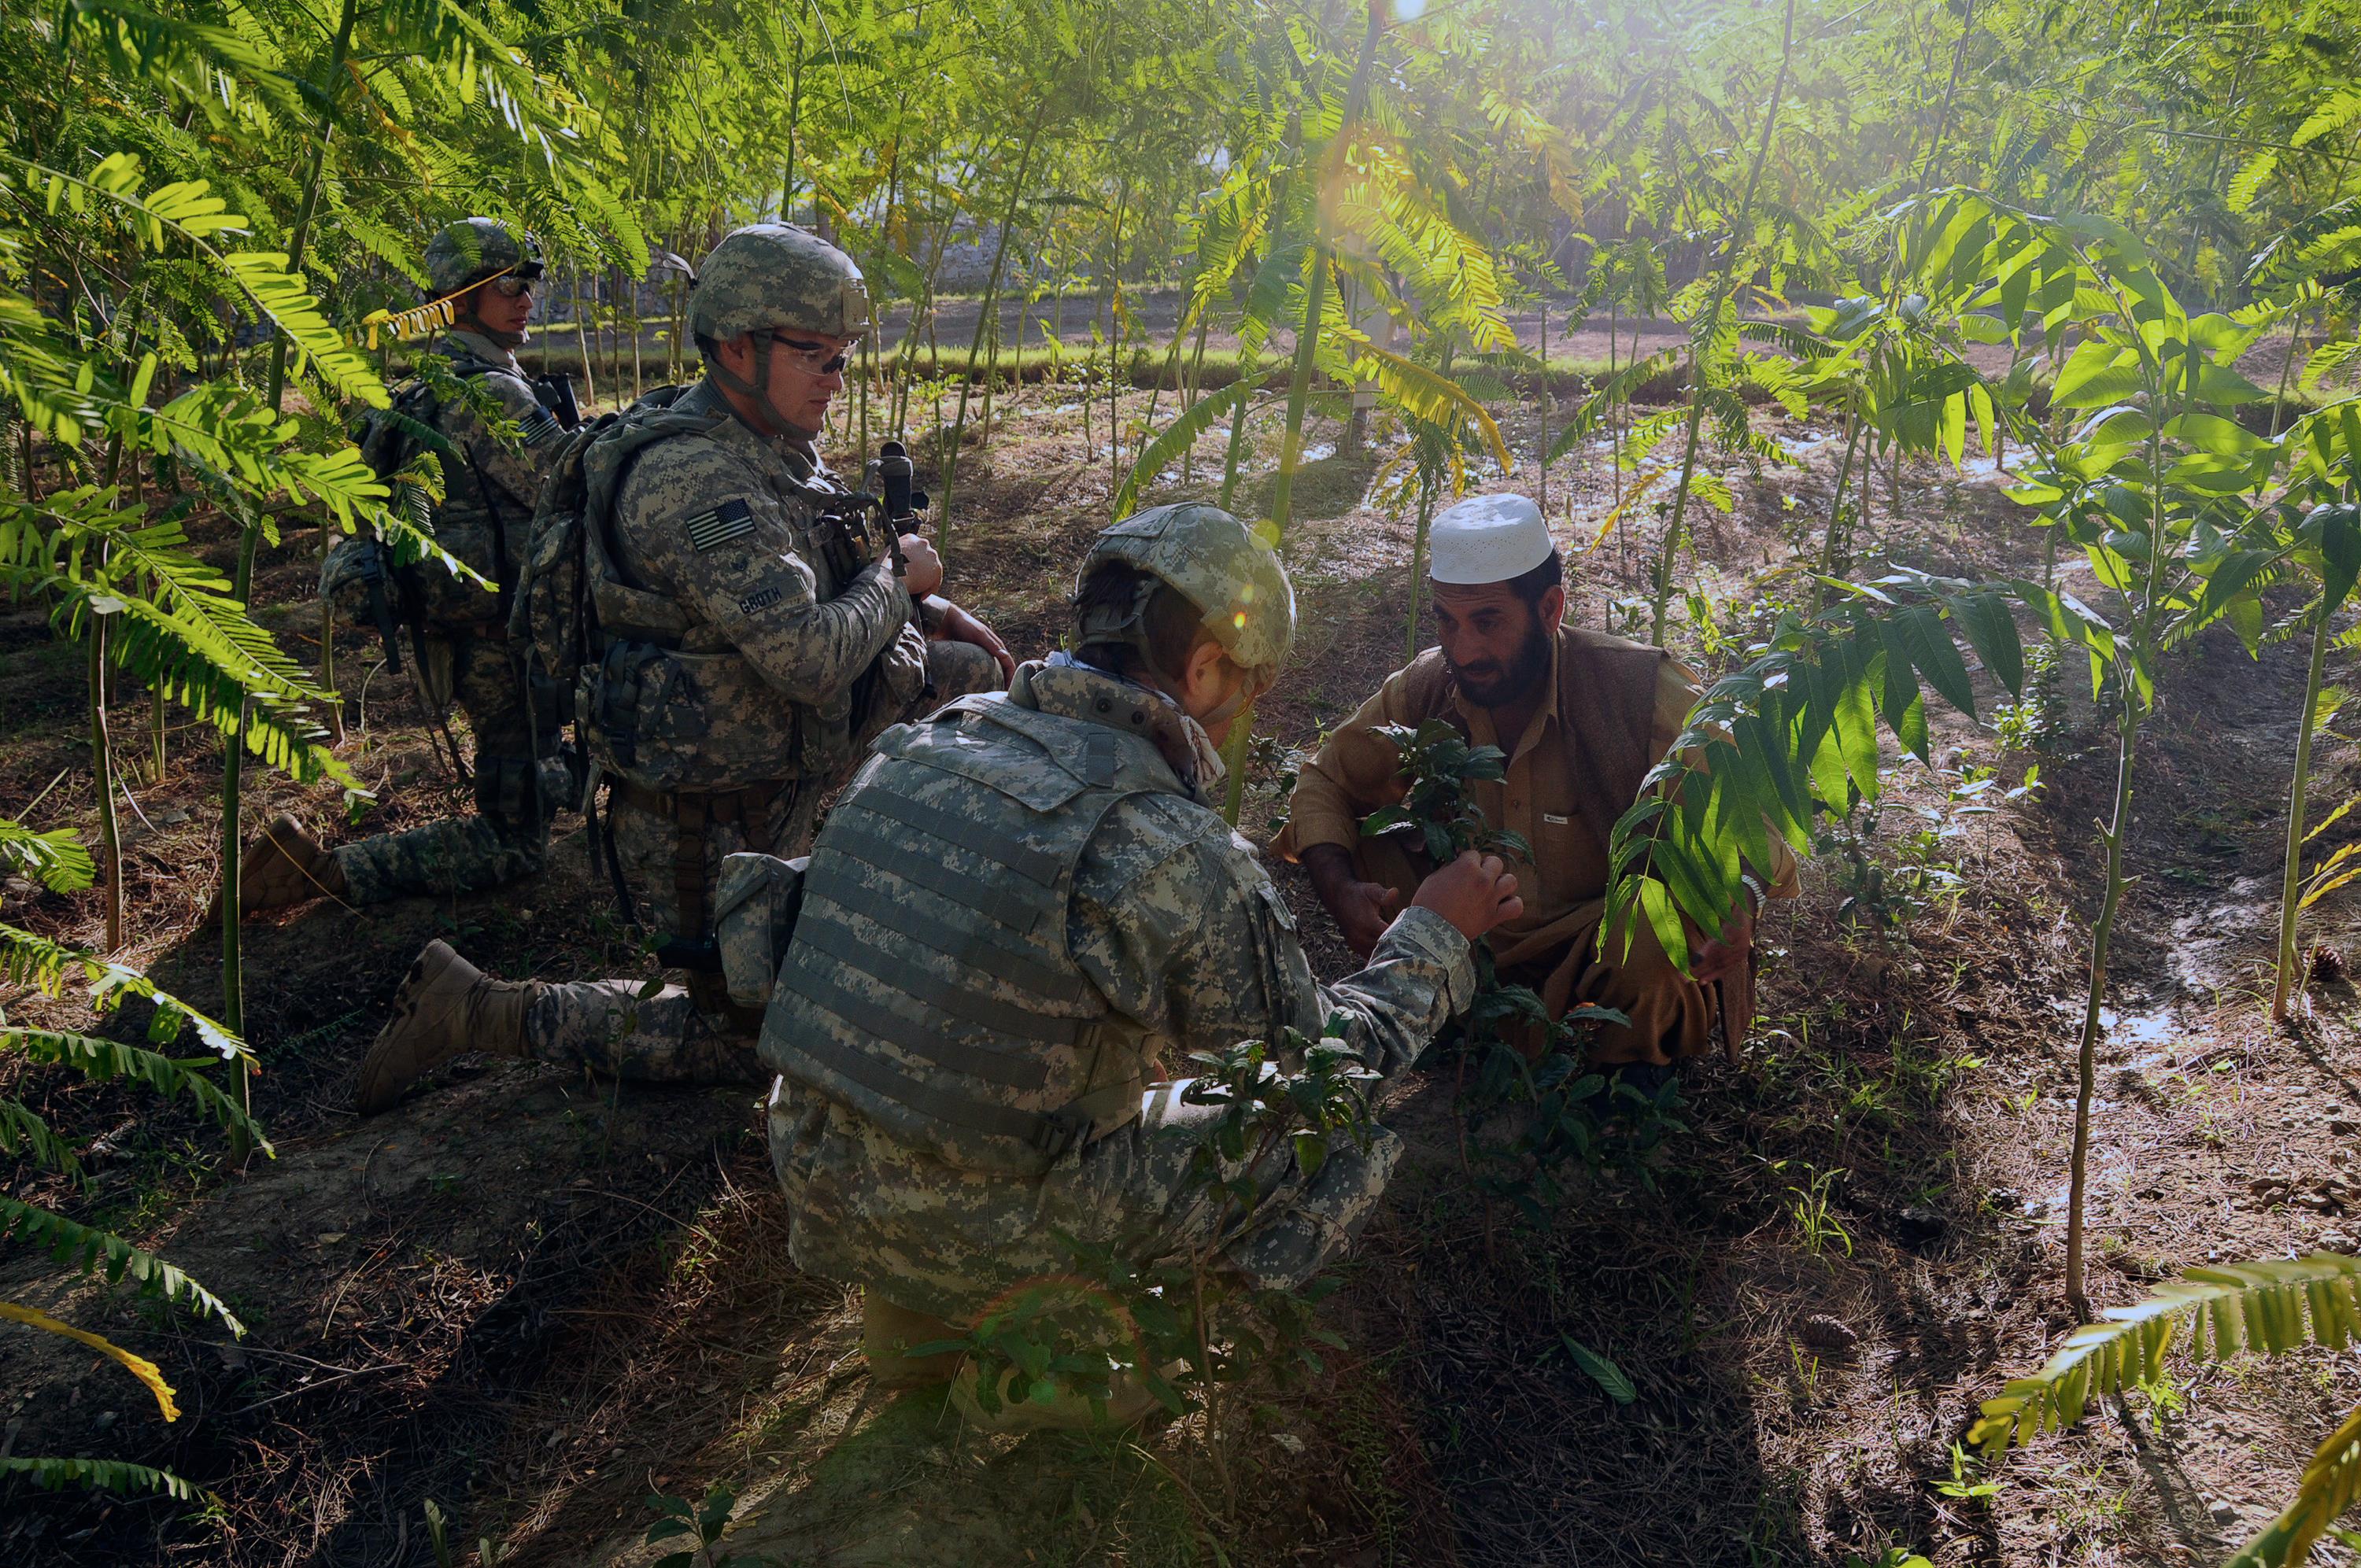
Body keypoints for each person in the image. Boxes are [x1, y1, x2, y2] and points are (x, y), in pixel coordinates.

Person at [753, 502, 1523, 1414]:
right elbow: (1319, 1070)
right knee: (1327, 1141)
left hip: (824, 1182)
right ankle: (1064, 1389)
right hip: (989, 1226)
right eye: (1248, 688)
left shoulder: (924, 744)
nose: (1240, 714)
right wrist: (1436, 932)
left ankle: (912, 1335)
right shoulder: (1160, 842)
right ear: (1202, 669)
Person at [354, 223, 1011, 1113]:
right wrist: (902, 577)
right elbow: (811, 656)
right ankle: (474, 1007)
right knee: (747, 1043)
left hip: (776, 758)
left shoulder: (764, 438)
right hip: (706, 811)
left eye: (845, 357)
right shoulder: (693, 478)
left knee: (968, 673)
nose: (836, 378)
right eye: (815, 354)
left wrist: (927, 607)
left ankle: (866, 902)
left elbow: (817, 567)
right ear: (737, 347)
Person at [1274, 492, 1798, 1076]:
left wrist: (1743, 902)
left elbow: (1753, 822)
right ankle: (1455, 1024)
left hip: (1596, 941)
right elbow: (1323, 782)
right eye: (1447, 621)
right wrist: (1341, 889)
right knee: (1371, 837)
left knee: (1652, 929)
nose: (1463, 648)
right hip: (1471, 942)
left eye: (1488, 622)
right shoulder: (1427, 688)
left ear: (1550, 609)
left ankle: (1627, 1082)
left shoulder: (1639, 691)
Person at [224, 218, 579, 920]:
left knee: (546, 766)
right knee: (514, 843)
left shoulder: (424, 390)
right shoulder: (489, 396)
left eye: (529, 282)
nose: (525, 297)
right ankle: (321, 871)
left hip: (475, 634)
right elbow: (569, 487)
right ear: (457, 302)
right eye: (506, 285)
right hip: (499, 644)